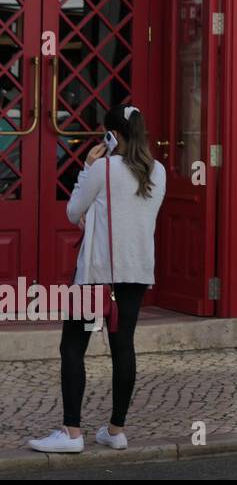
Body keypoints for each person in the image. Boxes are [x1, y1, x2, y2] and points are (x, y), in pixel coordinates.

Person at [28, 105, 166, 454]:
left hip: (95, 274)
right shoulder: (159, 172)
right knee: (124, 348)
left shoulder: (101, 168)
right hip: (136, 274)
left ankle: (71, 432)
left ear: (112, 136)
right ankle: (116, 430)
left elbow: (74, 211)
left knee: (73, 346)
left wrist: (86, 168)